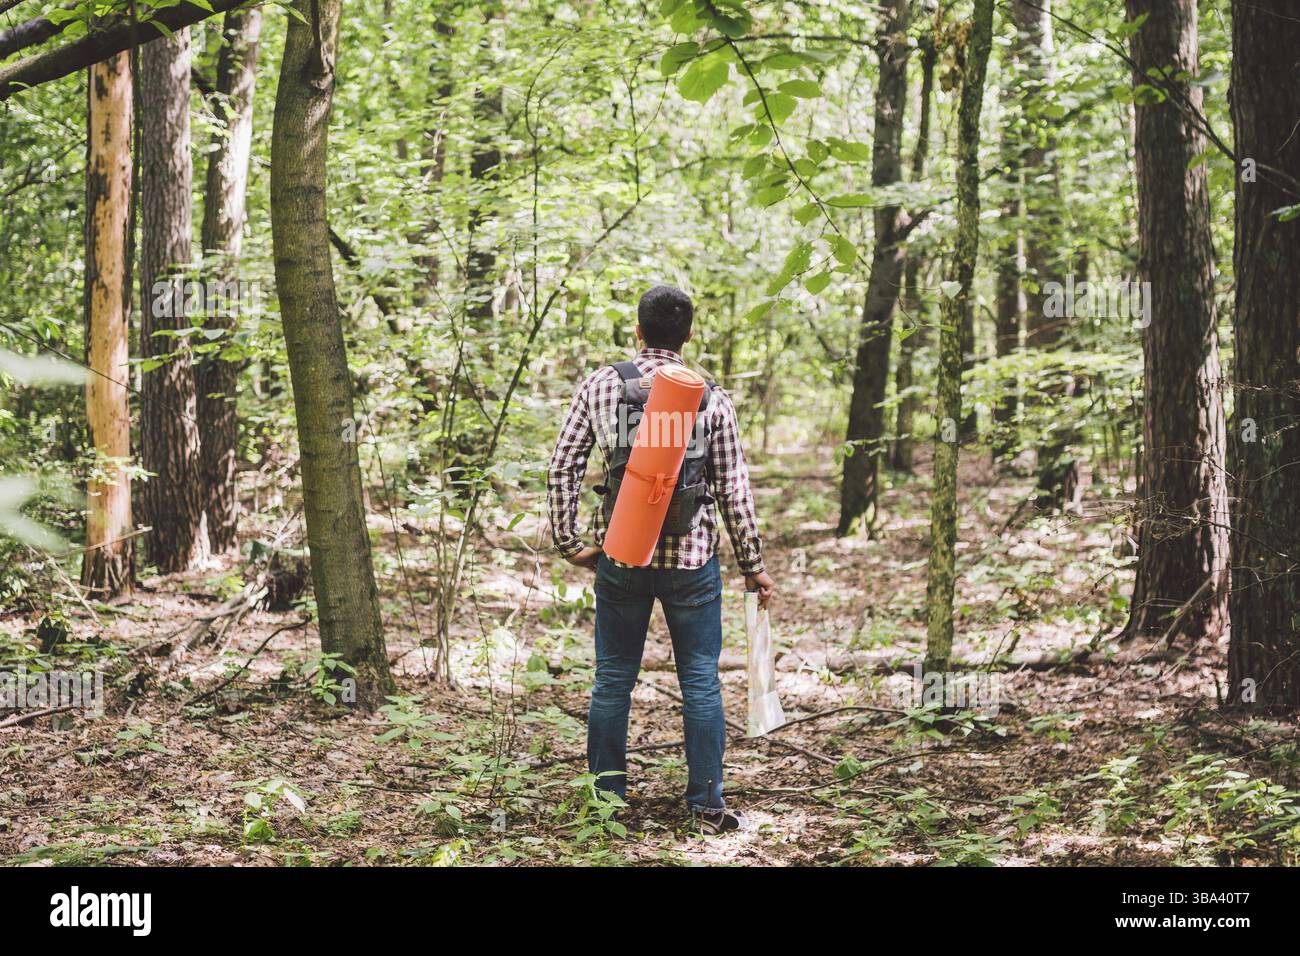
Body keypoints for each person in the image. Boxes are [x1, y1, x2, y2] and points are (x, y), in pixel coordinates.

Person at [546, 284, 775, 834]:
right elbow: (734, 490)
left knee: (612, 679)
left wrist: (570, 542)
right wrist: (752, 563)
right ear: (689, 334)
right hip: (692, 559)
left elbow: (562, 469)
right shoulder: (711, 398)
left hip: (621, 553)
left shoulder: (603, 385)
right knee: (700, 679)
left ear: (638, 330)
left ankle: (607, 802)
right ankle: (706, 804)